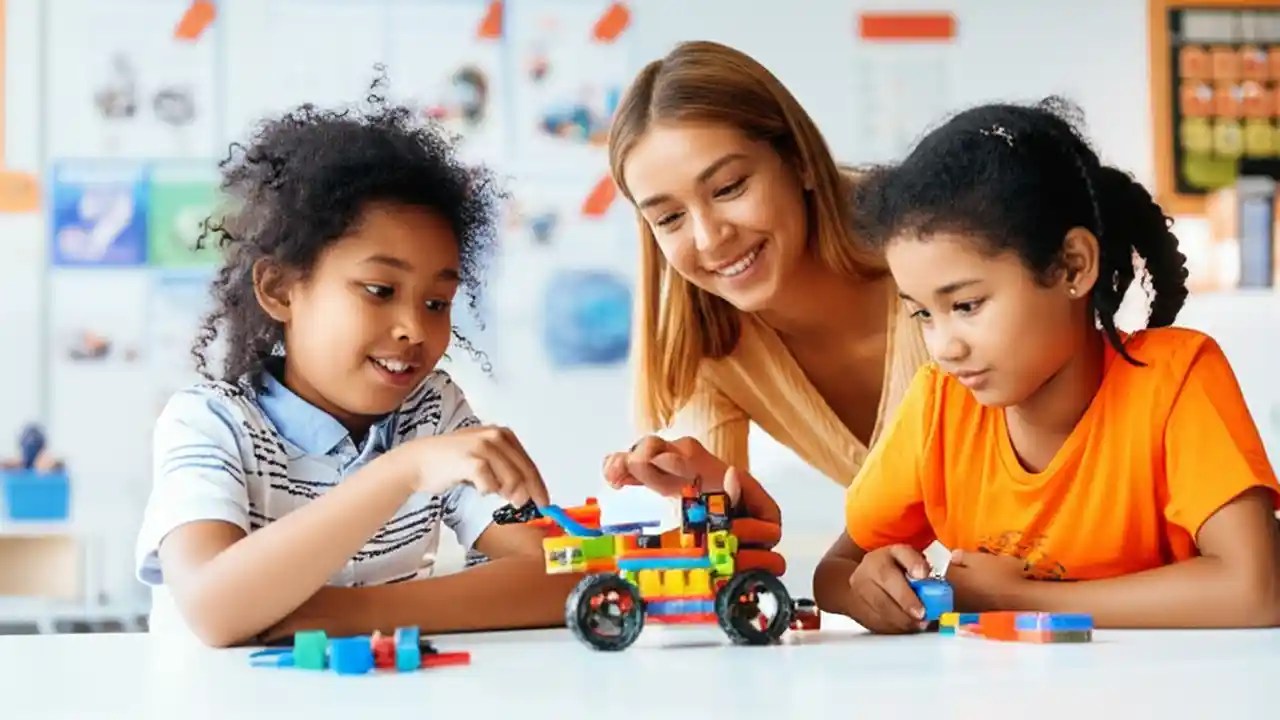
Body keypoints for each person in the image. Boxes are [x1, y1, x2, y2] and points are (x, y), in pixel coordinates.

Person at [134, 75, 578, 647]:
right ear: (279, 289)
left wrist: (329, 617)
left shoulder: (432, 413)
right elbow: (215, 609)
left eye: (437, 302)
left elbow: (560, 577)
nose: (414, 328)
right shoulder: (209, 423)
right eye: (378, 290)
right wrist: (400, 473)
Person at [814, 97, 1280, 632]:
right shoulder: (939, 409)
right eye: (923, 313)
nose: (944, 347)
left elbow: (1256, 590)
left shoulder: (1176, 381)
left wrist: (1017, 597)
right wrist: (871, 591)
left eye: (966, 305)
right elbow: (835, 571)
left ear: (1072, 267)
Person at [599, 40, 931, 576]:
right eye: (669, 218)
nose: (709, 238)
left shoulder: (931, 250)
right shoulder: (706, 349)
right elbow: (723, 567)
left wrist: (845, 571)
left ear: (799, 161)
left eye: (729, 187)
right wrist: (717, 504)